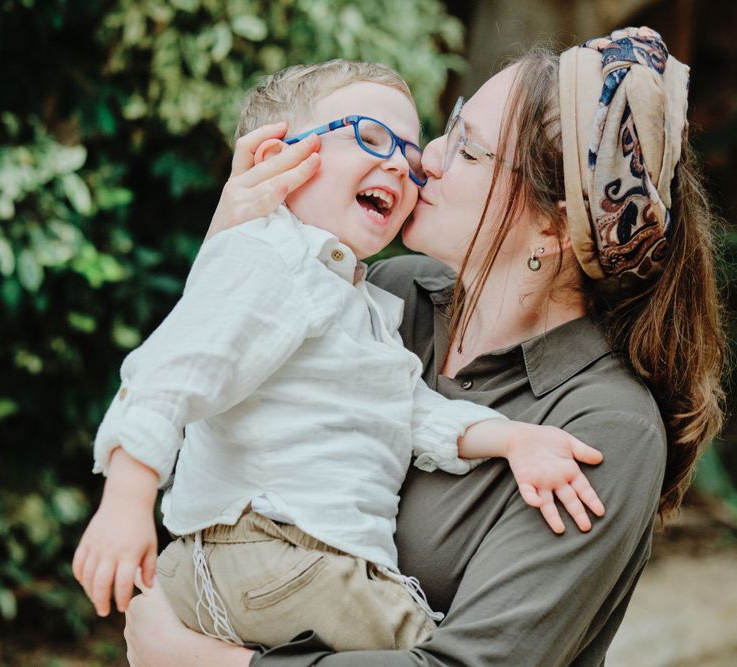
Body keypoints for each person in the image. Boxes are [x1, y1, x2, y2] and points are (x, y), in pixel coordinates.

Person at [121, 27, 726, 667]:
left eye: (468, 152)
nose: (425, 158)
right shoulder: (388, 292)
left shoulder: (605, 427)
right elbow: (205, 399)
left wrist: (200, 661)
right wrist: (238, 236)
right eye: (452, 125)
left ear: (551, 226)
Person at [71, 61, 607, 652]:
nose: (407, 163)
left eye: (406, 148)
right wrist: (125, 500)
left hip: (269, 561)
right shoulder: (276, 259)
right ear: (278, 158)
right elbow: (173, 370)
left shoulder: (359, 299)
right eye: (372, 137)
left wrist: (512, 440)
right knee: (417, 650)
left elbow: (410, 409)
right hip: (274, 549)